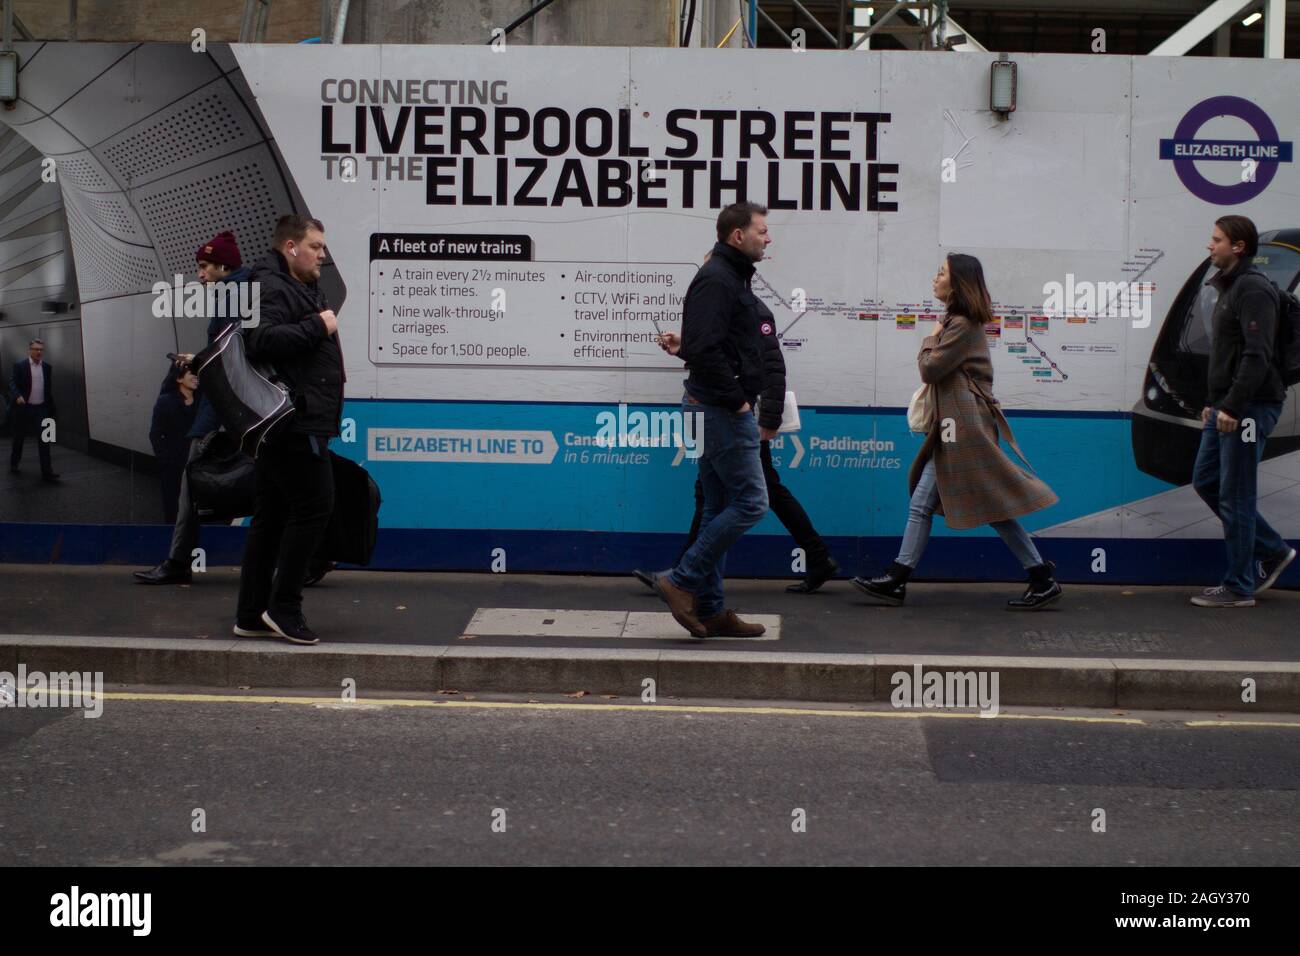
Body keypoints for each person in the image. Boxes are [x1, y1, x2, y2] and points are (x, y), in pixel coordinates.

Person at [853, 253, 1062, 610]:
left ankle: (898, 578)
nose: (935, 278)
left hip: (962, 427)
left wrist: (929, 339)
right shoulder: (959, 321)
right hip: (957, 423)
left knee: (925, 503)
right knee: (989, 506)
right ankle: (1040, 576)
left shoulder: (962, 324)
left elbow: (930, 370)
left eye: (941, 273)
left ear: (958, 283)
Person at [637, 253, 838, 596]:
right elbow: (719, 353)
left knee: (745, 493)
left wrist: (768, 419)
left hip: (742, 416)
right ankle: (816, 558)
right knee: (723, 492)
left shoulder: (753, 310)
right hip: (731, 413)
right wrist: (683, 347)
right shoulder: (730, 308)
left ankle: (683, 573)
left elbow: (772, 365)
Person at [640, 202, 773, 639]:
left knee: (718, 505)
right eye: (761, 230)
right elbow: (709, 350)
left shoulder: (727, 276)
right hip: (717, 410)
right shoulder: (718, 278)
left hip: (709, 406)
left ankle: (713, 610)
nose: (768, 238)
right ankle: (680, 579)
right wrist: (737, 402)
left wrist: (688, 344)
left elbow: (707, 341)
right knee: (752, 502)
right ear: (738, 235)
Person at [233, 215, 343, 645]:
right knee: (315, 506)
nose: (322, 254)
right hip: (292, 423)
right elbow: (260, 340)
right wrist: (319, 325)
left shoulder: (291, 285)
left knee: (273, 516)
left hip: (289, 421)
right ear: (290, 247)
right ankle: (284, 606)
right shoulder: (271, 286)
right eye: (315, 246)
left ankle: (250, 613)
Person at [1189, 215, 1296, 607]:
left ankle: (1239, 586)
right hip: (1226, 406)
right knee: (1206, 480)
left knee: (1236, 494)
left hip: (1248, 409)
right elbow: (1228, 355)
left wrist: (1232, 406)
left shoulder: (1253, 290)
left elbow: (1257, 355)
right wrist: (1214, 402)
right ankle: (1272, 550)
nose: (1209, 245)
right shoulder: (1230, 288)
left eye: (1216, 240)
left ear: (1238, 247)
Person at [136, 231, 253, 584]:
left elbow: (228, 354)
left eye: (204, 267)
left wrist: (199, 361)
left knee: (190, 484)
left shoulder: (230, 294)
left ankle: (177, 561)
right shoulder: (244, 291)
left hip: (219, 411)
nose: (200, 274)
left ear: (223, 265)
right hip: (245, 410)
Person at [149, 360, 199, 525]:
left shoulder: (202, 402)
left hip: (198, 464)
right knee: (173, 508)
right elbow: (155, 434)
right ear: (178, 378)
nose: (195, 376)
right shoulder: (166, 402)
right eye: (191, 372)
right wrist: (165, 461)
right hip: (173, 465)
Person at [8, 339, 60, 482]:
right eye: (36, 349)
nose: (38, 352)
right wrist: (17, 395)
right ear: (29, 350)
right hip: (24, 408)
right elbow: (12, 382)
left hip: (41, 409)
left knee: (45, 440)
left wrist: (51, 409)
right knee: (19, 438)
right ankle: (14, 463)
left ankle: (47, 471)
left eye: (41, 350)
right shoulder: (20, 366)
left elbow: (48, 389)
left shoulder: (47, 367)